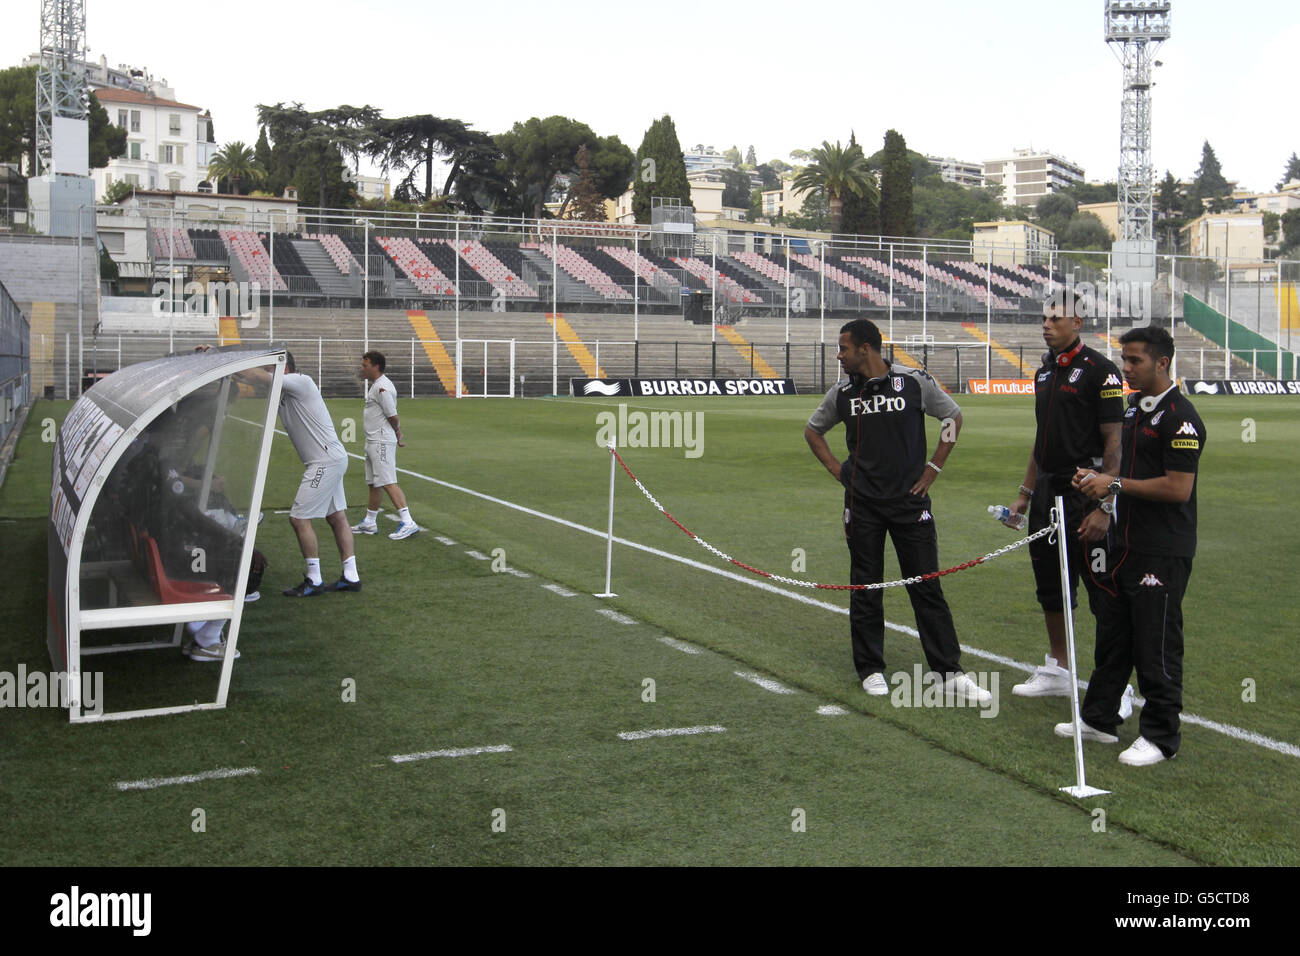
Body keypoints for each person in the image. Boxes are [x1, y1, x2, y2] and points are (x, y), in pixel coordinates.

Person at [805, 318, 989, 703]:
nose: (838, 355)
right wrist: (838, 471)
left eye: (843, 348)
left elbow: (953, 417)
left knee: (926, 584)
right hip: (863, 505)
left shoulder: (913, 382)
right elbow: (813, 431)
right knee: (866, 586)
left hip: (910, 503)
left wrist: (933, 468)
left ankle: (948, 673)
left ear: (866, 349)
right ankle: (870, 668)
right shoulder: (841, 392)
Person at [1065, 326, 1205, 766]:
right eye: (1123, 359)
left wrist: (1116, 483)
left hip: (1162, 548)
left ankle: (1161, 737)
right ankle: (1099, 718)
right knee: (1114, 633)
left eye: (1135, 361)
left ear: (1162, 362)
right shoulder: (1133, 411)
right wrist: (1099, 490)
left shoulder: (1182, 418)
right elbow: (1123, 471)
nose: (1125, 368)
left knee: (1156, 641)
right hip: (1126, 540)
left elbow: (1178, 488)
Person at [1006, 289, 1132, 718]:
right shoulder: (1044, 371)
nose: (1046, 324)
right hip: (1047, 492)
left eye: (1055, 319)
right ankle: (1059, 669)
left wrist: (1106, 504)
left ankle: (1117, 682)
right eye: (1044, 318)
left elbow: (1115, 442)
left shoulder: (1102, 371)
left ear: (1077, 323)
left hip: (1087, 491)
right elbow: (1042, 440)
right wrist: (1024, 495)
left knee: (1101, 588)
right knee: (1051, 586)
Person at [233, 349, 362, 596]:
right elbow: (245, 377)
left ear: (283, 368)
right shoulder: (281, 389)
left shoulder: (300, 381)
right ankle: (351, 576)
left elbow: (258, 377)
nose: (265, 373)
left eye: (269, 368)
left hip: (324, 462)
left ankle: (314, 580)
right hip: (330, 459)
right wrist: (218, 361)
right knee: (337, 517)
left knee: (299, 518)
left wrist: (229, 360)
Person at [350, 350, 419, 540]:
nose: (362, 369)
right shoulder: (376, 386)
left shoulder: (383, 388)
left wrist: (397, 432)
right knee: (374, 483)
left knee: (388, 482)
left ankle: (408, 521)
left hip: (381, 441)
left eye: (365, 365)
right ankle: (370, 522)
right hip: (373, 440)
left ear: (376, 366)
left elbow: (392, 415)